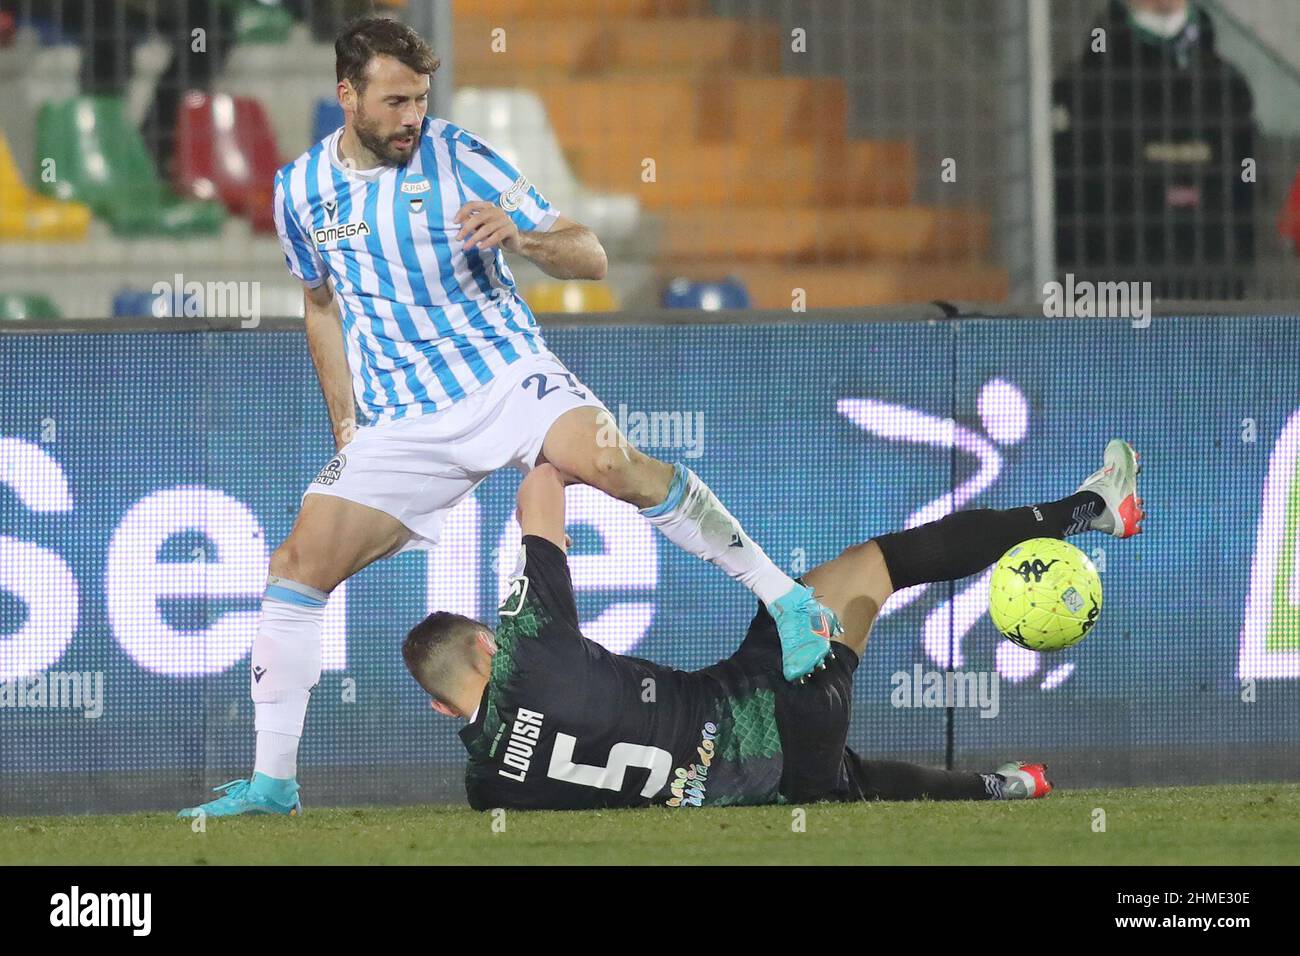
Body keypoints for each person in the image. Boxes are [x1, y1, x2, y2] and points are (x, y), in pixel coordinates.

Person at [178, 17, 836, 818]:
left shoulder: (458, 156)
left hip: (502, 376)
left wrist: (522, 237)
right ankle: (275, 784)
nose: (411, 116)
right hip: (402, 421)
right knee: (295, 564)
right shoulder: (299, 191)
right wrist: (347, 429)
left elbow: (588, 253)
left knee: (612, 462)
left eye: (419, 98)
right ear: (346, 95)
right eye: (393, 101)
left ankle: (785, 597)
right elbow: (319, 306)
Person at [403, 441, 1145, 811]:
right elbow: (542, 488)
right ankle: (1087, 510)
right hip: (779, 716)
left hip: (751, 743)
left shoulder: (487, 789)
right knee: (878, 567)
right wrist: (527, 438)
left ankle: (1000, 786)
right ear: (485, 643)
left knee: (839, 781)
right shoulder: (529, 651)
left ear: (439, 707)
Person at [1053, 0, 1257, 299]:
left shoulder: (1229, 86)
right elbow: (1067, 211)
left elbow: (1245, 199)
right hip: (1111, 308)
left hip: (1210, 304)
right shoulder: (1081, 87)